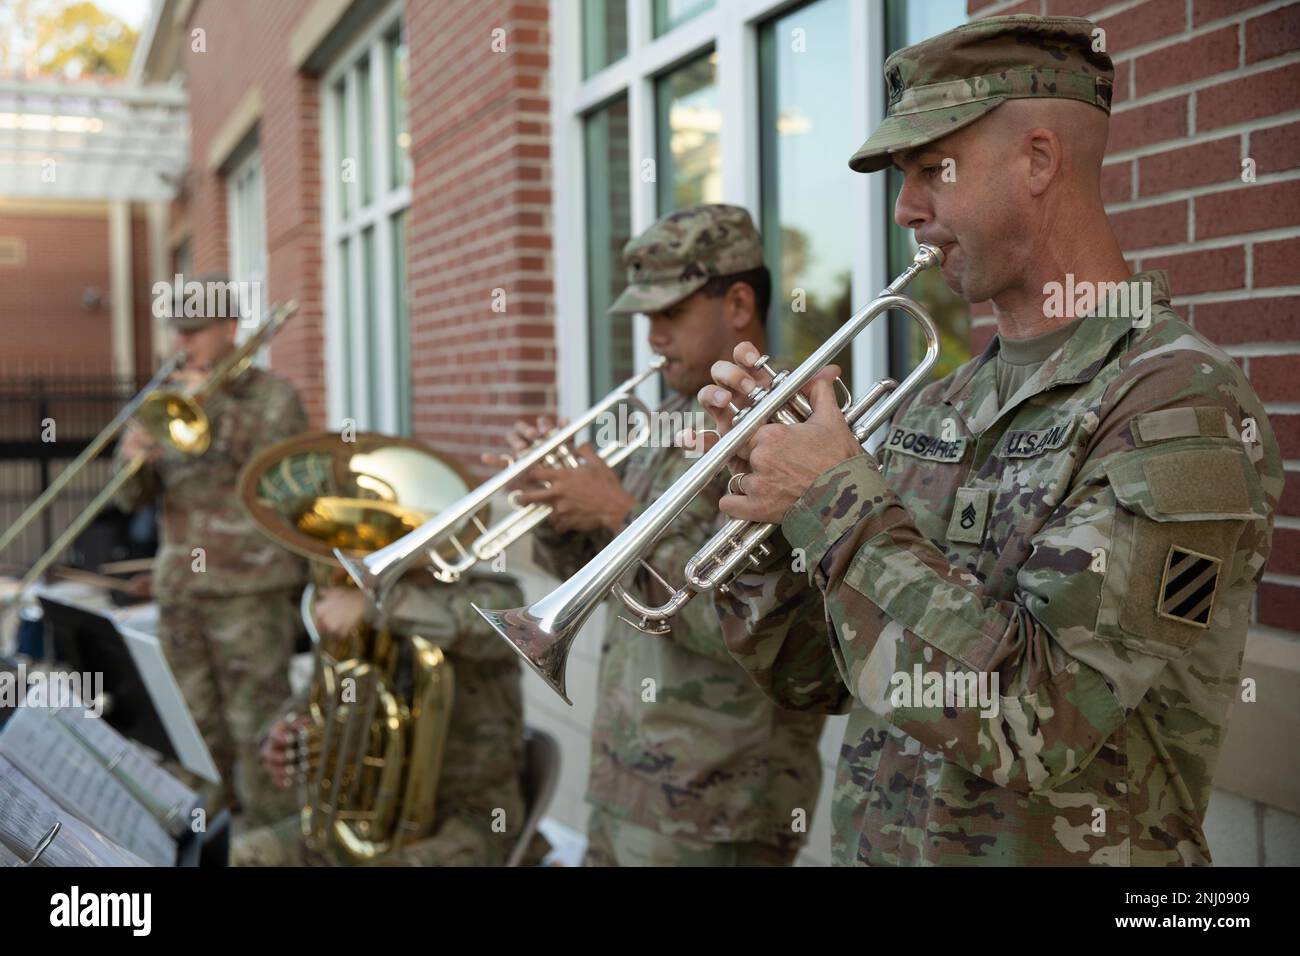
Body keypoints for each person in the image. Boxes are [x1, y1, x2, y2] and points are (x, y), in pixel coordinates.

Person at [697, 15, 1282, 866]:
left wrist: (833, 500)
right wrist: (764, 515)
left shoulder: (1178, 405)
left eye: (931, 169)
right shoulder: (943, 403)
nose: (906, 209)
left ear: (1038, 161)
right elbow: (813, 676)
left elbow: (1036, 721)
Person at [496, 204, 825, 866]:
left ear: (737, 304)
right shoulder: (670, 419)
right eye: (646, 318)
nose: (651, 338)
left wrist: (619, 513)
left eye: (668, 314)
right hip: (625, 777)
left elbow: (757, 629)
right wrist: (561, 507)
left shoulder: (794, 432)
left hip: (716, 805)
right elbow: (617, 586)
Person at [115, 279, 307, 827]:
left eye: (195, 331)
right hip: (181, 588)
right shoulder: (165, 398)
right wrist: (135, 454)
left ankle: (271, 846)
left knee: (259, 728)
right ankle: (206, 839)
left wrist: (211, 401)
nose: (184, 343)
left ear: (229, 329)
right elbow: (130, 499)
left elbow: (282, 480)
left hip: (250, 589)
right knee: (192, 730)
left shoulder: (272, 396)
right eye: (178, 331)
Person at [232, 570, 547, 866]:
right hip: (366, 818)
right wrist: (287, 732)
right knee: (248, 855)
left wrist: (374, 607)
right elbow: (319, 695)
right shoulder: (358, 602)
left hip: (472, 820)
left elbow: (482, 626)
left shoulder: (496, 594)